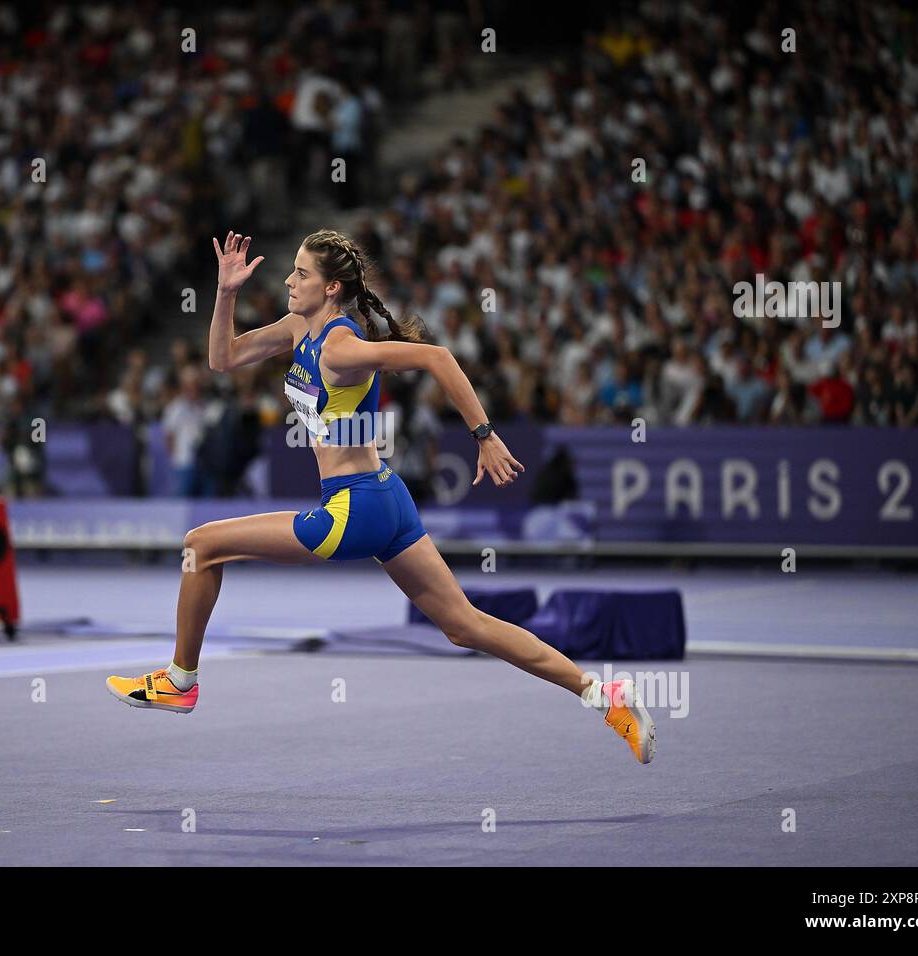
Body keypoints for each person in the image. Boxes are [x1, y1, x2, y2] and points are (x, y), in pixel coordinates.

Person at [106, 229, 656, 764]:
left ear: (331, 289)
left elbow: (438, 357)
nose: (288, 281)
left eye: (301, 273)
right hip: (386, 498)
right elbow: (222, 359)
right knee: (466, 626)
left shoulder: (342, 345)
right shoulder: (298, 327)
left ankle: (180, 681)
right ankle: (604, 698)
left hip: (353, 509)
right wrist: (226, 293)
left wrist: (483, 436)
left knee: (200, 546)